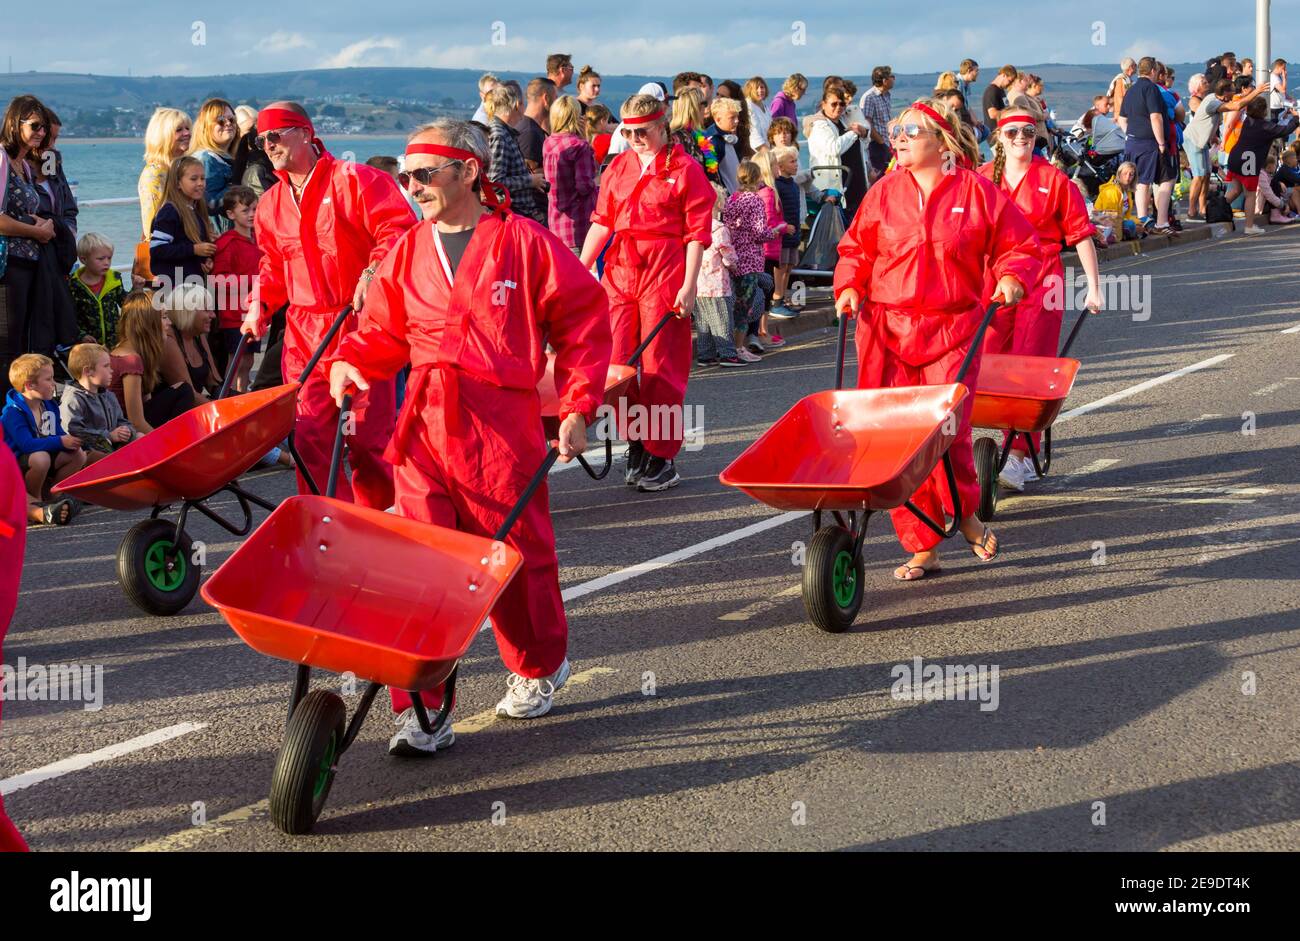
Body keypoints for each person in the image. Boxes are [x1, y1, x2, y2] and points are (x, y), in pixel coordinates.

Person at [326, 118, 612, 748]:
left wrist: (577, 405)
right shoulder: (407, 249)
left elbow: (584, 320)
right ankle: (421, 705)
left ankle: (539, 665)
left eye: (425, 174)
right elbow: (382, 332)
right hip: (423, 429)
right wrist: (351, 359)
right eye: (406, 176)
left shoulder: (526, 243)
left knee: (513, 559)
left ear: (469, 171)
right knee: (420, 566)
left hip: (500, 430)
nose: (413, 186)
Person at [833, 98, 1040, 580]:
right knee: (896, 439)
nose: (899, 137)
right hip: (886, 329)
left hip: (953, 330)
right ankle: (922, 545)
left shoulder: (977, 191)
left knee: (946, 431)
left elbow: (1019, 245)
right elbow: (856, 250)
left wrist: (1011, 275)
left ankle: (965, 511)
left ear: (941, 141)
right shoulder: (883, 192)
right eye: (897, 130)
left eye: (911, 131)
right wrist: (848, 285)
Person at [240, 101, 413, 509]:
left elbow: (399, 231)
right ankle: (330, 521)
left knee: (368, 440)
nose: (268, 145)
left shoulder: (358, 181)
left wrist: (372, 272)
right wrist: (258, 305)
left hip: (361, 325)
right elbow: (274, 265)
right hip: (304, 336)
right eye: (261, 139)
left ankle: (385, 521)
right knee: (308, 434)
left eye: (276, 135)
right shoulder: (270, 205)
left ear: (305, 132)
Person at [579, 92, 713, 492]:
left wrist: (689, 285)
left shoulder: (686, 169)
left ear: (662, 126)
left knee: (660, 366)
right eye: (629, 132)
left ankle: (661, 453)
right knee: (616, 366)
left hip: (665, 269)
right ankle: (637, 439)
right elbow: (602, 222)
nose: (635, 138)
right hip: (620, 270)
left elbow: (696, 234)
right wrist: (580, 267)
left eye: (643, 132)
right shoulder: (618, 167)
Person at [979, 108, 1101, 491]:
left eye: (1029, 133)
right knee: (985, 362)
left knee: (1031, 364)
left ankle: (1018, 454)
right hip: (991, 277)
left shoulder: (1054, 180)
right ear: (999, 137)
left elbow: (1080, 234)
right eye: (1013, 132)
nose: (1021, 139)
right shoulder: (980, 178)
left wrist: (1094, 287)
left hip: (1043, 278)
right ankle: (973, 448)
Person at [1, 97, 76, 369]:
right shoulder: (3, 159)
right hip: (10, 263)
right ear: (15, 123)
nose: (43, 135)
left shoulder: (31, 165)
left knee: (25, 341)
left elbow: (62, 202)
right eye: (36, 126)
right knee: (8, 344)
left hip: (34, 262)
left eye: (45, 129)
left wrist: (55, 231)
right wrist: (36, 231)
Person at [3, 353, 85, 524]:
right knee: (41, 458)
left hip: (44, 457)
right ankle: (36, 499)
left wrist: (69, 441)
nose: (53, 384)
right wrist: (60, 441)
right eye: (48, 379)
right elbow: (26, 445)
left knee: (78, 454)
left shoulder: (48, 405)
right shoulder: (12, 412)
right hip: (19, 463)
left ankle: (54, 494)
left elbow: (57, 433)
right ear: (30, 385)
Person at [109, 290, 193, 433]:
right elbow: (136, 422)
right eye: (164, 317)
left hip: (124, 425)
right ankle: (179, 441)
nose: (169, 322)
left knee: (179, 388)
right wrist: (164, 444)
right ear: (149, 323)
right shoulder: (131, 361)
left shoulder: (129, 351)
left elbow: (146, 401)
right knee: (184, 391)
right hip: (123, 431)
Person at [726, 160, 786, 359]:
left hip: (734, 256)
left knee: (735, 304)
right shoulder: (755, 199)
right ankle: (738, 348)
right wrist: (777, 231)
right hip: (750, 258)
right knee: (744, 307)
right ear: (757, 176)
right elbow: (760, 233)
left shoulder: (732, 198)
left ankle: (734, 347)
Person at [1118, 57, 1177, 233]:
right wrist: (1160, 142)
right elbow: (1156, 117)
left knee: (1141, 181)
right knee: (1167, 179)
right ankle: (1161, 221)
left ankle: (1143, 219)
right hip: (1151, 142)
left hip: (1133, 142)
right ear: (1152, 71)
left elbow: (1122, 119)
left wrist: (1132, 133)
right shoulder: (1151, 89)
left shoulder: (1131, 89)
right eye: (1158, 71)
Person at [210, 185, 261, 389]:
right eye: (245, 210)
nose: (251, 215)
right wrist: (254, 281)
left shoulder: (256, 238)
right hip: (233, 314)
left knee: (248, 360)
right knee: (237, 359)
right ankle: (230, 394)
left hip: (253, 310)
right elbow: (218, 280)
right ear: (230, 214)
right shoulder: (227, 243)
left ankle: (242, 392)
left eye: (255, 209)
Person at [1226, 97, 1300, 234]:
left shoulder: (1248, 121)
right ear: (1263, 110)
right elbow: (1283, 131)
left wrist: (1281, 117)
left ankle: (1218, 210)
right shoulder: (1265, 127)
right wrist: (1296, 119)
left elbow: (1270, 126)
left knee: (1235, 190)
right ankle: (1249, 226)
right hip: (1249, 162)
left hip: (1235, 157)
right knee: (1250, 195)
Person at [136, 108, 191, 281]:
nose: (187, 133)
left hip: (184, 254)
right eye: (179, 130)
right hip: (168, 261)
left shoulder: (180, 168)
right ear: (163, 136)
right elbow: (153, 225)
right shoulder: (155, 172)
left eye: (187, 128)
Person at [59, 342, 137, 461]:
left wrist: (126, 431)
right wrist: (108, 436)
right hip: (90, 452)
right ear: (88, 371)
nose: (111, 370)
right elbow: (74, 432)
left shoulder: (108, 395)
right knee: (101, 457)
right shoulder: (73, 399)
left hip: (112, 446)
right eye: (106, 366)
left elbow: (122, 421)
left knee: (140, 437)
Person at [148, 155, 216, 290]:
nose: (200, 183)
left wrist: (206, 260)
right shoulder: (170, 211)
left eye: (203, 178)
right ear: (178, 183)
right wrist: (194, 250)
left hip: (191, 283)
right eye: (193, 179)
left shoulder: (195, 210)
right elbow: (157, 249)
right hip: (173, 286)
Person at [484, 85, 547, 225]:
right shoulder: (499, 135)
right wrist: (530, 181)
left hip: (516, 215)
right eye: (524, 103)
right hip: (513, 215)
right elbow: (495, 182)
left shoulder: (504, 133)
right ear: (517, 105)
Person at [542, 95, 598, 254]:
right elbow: (584, 186)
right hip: (579, 224)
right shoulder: (579, 146)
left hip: (555, 223)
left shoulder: (548, 142)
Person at [694, 184, 742, 367]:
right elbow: (727, 253)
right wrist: (733, 265)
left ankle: (705, 355)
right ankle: (727, 353)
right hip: (717, 283)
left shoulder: (695, 225)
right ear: (720, 204)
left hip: (698, 283)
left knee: (703, 322)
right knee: (722, 319)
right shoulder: (719, 229)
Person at [808, 86, 869, 218]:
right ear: (823, 105)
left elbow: (864, 141)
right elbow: (834, 148)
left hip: (855, 182)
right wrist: (854, 132)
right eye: (833, 104)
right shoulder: (820, 126)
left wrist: (863, 132)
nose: (838, 107)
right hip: (836, 188)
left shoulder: (845, 120)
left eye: (842, 104)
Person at [191, 98, 240, 234]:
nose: (228, 124)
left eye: (232, 120)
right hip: (218, 239)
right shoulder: (206, 159)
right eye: (221, 121)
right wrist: (236, 184)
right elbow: (208, 205)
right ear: (206, 126)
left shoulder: (228, 158)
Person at [69, 232, 124, 347]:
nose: (107, 263)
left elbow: (126, 303)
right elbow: (68, 316)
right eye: (100, 259)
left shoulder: (115, 279)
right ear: (83, 259)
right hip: (88, 346)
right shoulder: (73, 285)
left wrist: (136, 287)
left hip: (114, 343)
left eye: (109, 258)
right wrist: (81, 335)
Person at [770, 146, 805, 319]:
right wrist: (783, 226)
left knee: (789, 266)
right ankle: (776, 300)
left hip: (793, 232)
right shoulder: (777, 185)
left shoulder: (792, 184)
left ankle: (782, 298)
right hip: (783, 234)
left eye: (796, 161)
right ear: (781, 166)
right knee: (781, 267)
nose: (796, 165)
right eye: (792, 162)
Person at [860, 66, 895, 180]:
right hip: (876, 145)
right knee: (879, 179)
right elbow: (867, 123)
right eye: (892, 76)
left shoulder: (886, 95)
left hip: (887, 143)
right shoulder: (870, 97)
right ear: (884, 80)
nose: (894, 78)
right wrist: (881, 142)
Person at [703, 96, 744, 193]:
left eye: (737, 116)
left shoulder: (728, 136)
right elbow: (712, 176)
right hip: (727, 199)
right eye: (732, 118)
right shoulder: (712, 142)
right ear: (718, 119)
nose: (737, 120)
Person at [1094, 161, 1143, 239]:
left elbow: (1127, 215)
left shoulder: (1127, 191)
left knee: (1144, 220)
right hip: (1104, 225)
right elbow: (1110, 217)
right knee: (1131, 225)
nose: (1128, 177)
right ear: (1119, 174)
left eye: (1131, 175)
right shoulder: (1112, 191)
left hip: (1121, 221)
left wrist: (1139, 223)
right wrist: (1116, 237)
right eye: (1125, 173)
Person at [744, 77, 772, 155]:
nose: (760, 90)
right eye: (756, 88)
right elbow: (754, 135)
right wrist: (770, 155)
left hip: (768, 148)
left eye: (762, 87)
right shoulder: (748, 107)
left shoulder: (765, 107)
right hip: (757, 152)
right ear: (750, 90)